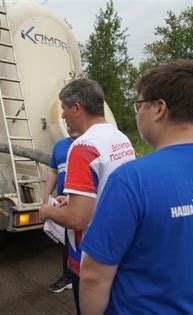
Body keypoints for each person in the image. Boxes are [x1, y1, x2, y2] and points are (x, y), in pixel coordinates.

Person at [79, 59, 193, 314]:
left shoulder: (131, 181)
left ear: (159, 108)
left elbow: (94, 276)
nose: (137, 113)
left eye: (139, 104)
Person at [39, 78, 135, 314]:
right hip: (121, 248)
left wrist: (47, 210)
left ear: (77, 108)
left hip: (91, 255)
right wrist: (71, 200)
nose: (62, 115)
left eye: (63, 108)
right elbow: (107, 191)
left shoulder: (83, 146)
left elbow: (77, 219)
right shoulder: (121, 139)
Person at [42, 127, 80, 293]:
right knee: (67, 242)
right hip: (62, 204)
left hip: (83, 204)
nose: (70, 126)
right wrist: (45, 200)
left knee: (83, 243)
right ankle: (68, 276)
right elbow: (52, 171)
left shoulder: (89, 144)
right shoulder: (59, 146)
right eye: (66, 123)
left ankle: (84, 278)